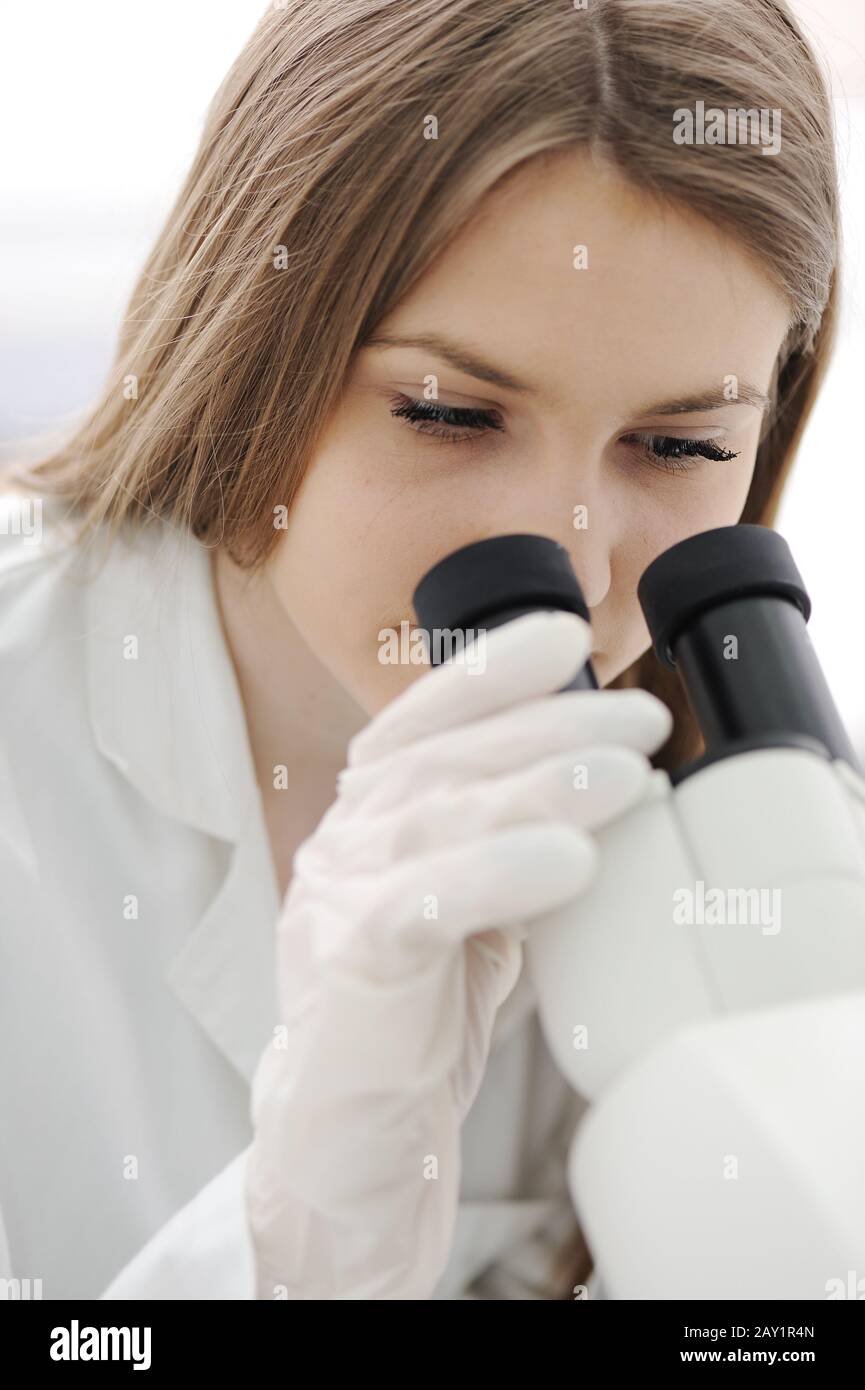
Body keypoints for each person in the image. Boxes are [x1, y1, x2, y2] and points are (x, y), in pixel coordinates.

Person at [0, 0, 839, 1299]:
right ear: (253, 344)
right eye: (448, 414)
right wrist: (300, 1247)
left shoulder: (732, 816)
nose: (567, 557)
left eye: (676, 447)